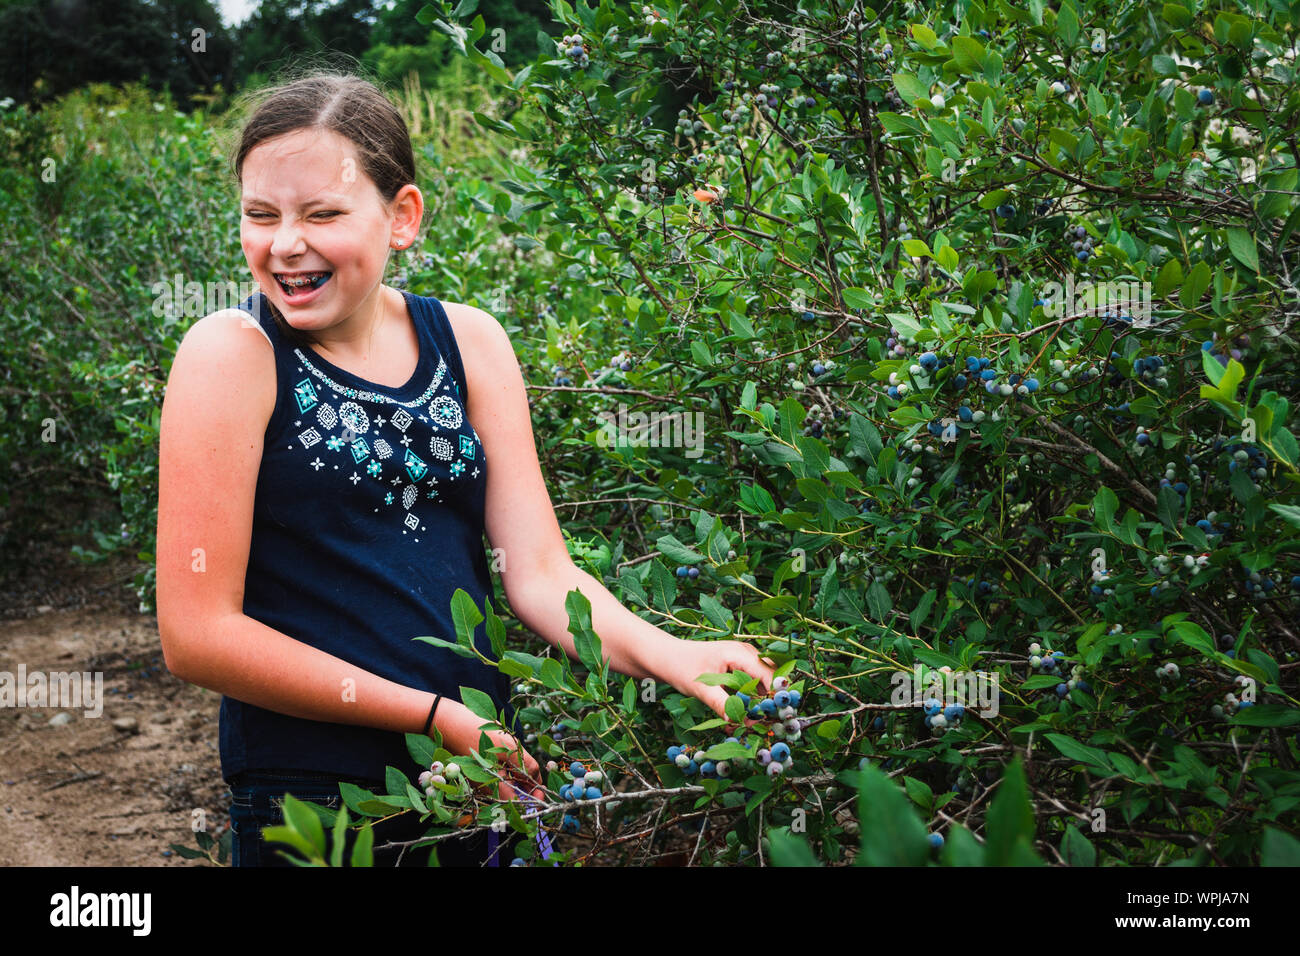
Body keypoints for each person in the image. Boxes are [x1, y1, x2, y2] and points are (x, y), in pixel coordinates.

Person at [154, 69, 775, 867]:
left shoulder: (469, 343)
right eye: (260, 215)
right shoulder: (234, 357)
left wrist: (672, 654)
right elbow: (197, 634)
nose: (284, 245)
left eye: (323, 214)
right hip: (314, 792)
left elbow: (540, 573)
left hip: (477, 772)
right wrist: (433, 716)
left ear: (401, 217)